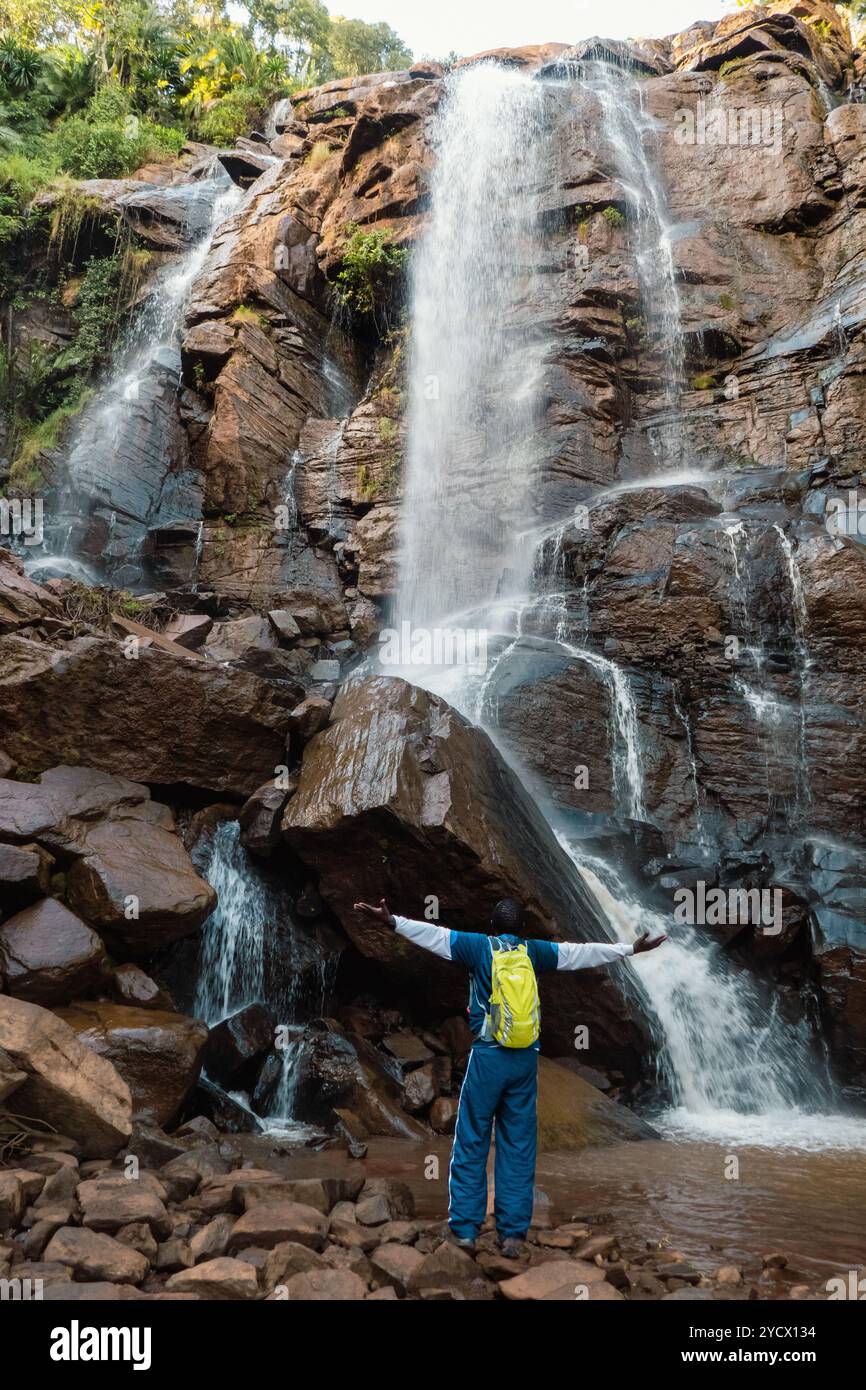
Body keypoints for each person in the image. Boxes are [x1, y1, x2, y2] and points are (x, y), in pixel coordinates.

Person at [353, 895, 665, 1257]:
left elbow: (435, 936)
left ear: (492, 927)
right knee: (518, 1145)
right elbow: (580, 953)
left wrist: (393, 922)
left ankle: (466, 1232)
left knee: (471, 1140)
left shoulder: (477, 947)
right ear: (522, 929)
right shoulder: (535, 952)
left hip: (489, 1057)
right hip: (525, 1060)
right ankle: (513, 1235)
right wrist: (629, 948)